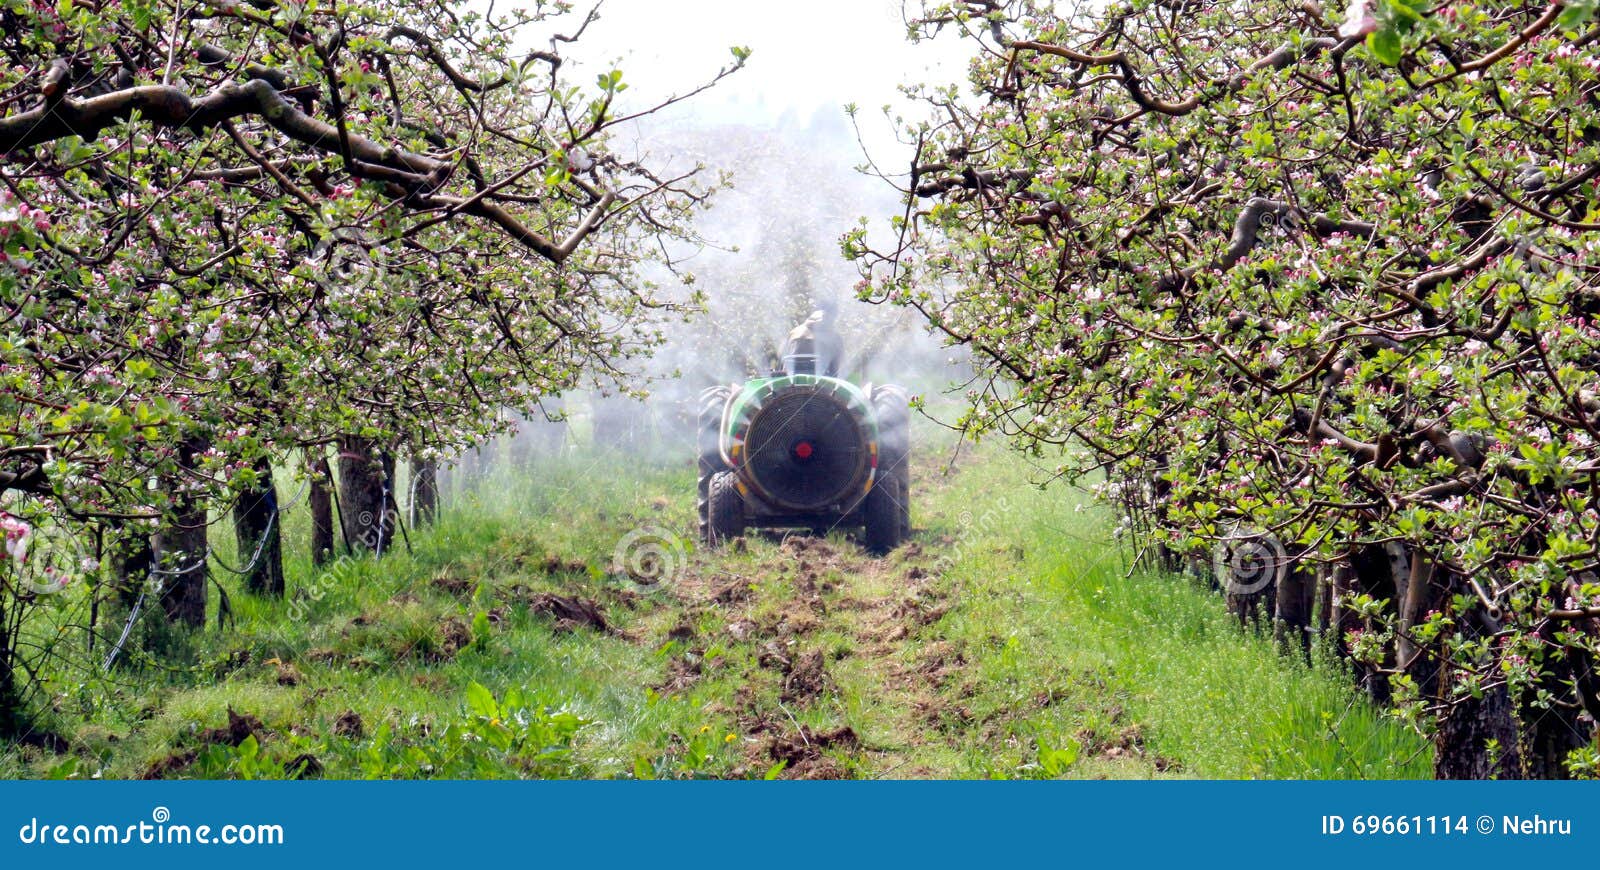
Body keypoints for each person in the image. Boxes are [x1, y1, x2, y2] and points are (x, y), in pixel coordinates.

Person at [785, 299, 844, 377]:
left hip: (791, 379)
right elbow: (837, 369)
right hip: (822, 382)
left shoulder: (795, 332)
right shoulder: (834, 338)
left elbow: (783, 361)